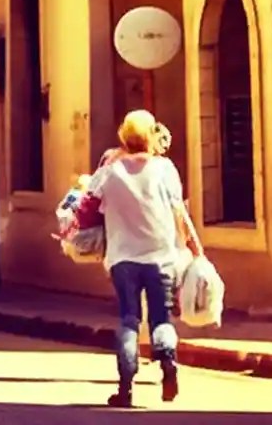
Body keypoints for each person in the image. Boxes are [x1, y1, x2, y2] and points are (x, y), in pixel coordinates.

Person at [90, 110, 202, 408]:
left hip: (122, 259)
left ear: (124, 137)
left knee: (129, 319)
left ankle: (125, 388)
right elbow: (180, 213)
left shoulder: (110, 171)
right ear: (152, 135)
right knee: (161, 318)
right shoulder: (165, 169)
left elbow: (85, 203)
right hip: (161, 257)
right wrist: (197, 250)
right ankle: (167, 362)